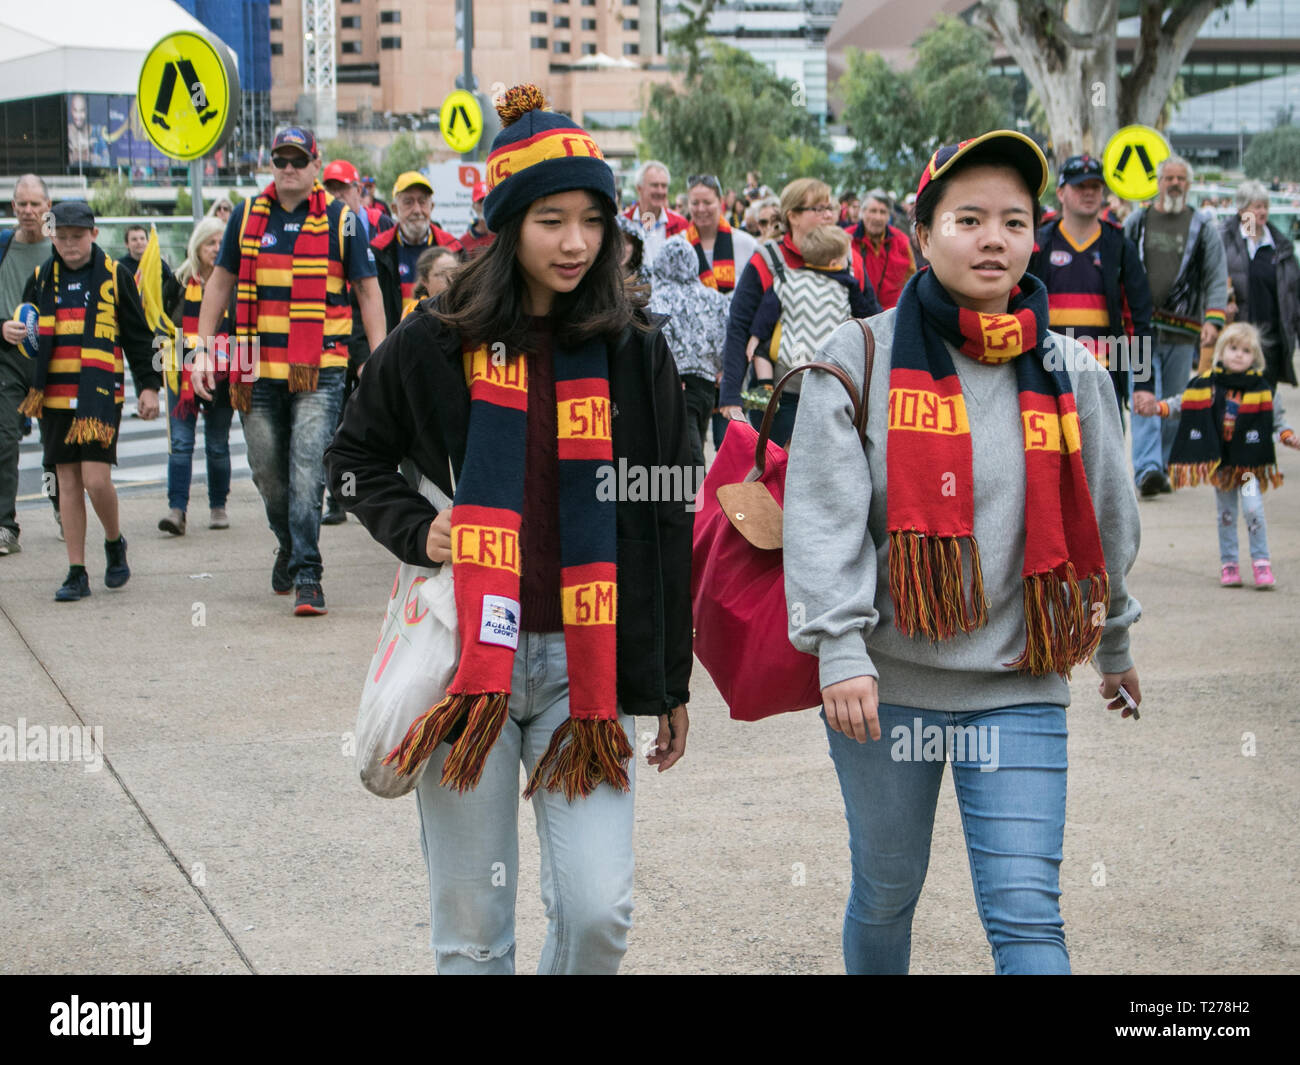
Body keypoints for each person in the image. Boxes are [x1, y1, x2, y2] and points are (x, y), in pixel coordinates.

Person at [325, 84, 693, 974]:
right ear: (506, 222)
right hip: (468, 669)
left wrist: (669, 672)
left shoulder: (632, 346)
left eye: (592, 220)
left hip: (585, 669)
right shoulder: (436, 340)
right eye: (551, 219)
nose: (575, 243)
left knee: (600, 910)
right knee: (473, 934)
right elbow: (352, 458)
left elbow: (665, 508)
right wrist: (421, 530)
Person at [783, 131, 1143, 976]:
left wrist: (1116, 642)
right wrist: (837, 649)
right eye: (969, 218)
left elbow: (1110, 520)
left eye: (1014, 222)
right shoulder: (857, 356)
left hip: (1019, 682)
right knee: (885, 889)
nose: (993, 239)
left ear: (1033, 237)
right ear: (925, 231)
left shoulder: (1071, 372)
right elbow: (823, 517)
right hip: (882, 690)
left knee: (1027, 918)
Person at [191, 126, 387, 616]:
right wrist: (199, 348)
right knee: (266, 471)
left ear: (315, 166)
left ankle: (307, 572)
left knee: (305, 469)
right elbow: (218, 285)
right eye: (280, 159)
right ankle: (288, 542)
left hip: (318, 369)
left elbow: (367, 291)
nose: (289, 167)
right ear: (271, 166)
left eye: (298, 159)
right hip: (252, 366)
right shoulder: (245, 216)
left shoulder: (343, 220)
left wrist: (380, 361)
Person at [15, 201, 163, 601]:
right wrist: (11, 332)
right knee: (67, 481)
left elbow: (139, 337)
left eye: (77, 237)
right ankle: (76, 570)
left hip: (99, 397)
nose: (69, 245)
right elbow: (29, 336)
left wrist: (150, 387)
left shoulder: (117, 277)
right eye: (61, 238)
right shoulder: (40, 279)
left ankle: (114, 542)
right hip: (55, 398)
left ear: (93, 234)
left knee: (96, 481)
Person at [718, 177, 881, 446]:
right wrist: (730, 394)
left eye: (831, 208)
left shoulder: (850, 259)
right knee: (772, 477)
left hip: (837, 393)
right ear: (792, 216)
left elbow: (872, 320)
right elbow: (739, 325)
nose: (829, 215)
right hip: (779, 396)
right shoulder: (769, 258)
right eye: (819, 209)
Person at [1135, 321, 1299, 588]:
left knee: (1253, 510)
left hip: (1248, 465)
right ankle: (1229, 565)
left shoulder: (1262, 389)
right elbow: (1182, 404)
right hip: (1221, 463)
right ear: (1221, 351)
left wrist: (1288, 436)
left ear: (1254, 358)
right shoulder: (1206, 385)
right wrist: (1157, 408)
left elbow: (1277, 421)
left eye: (1245, 351)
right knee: (1226, 515)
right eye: (1233, 348)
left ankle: (1261, 563)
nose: (1238, 354)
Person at [1124, 155, 1228, 496]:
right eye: (1169, 177)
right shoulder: (1137, 222)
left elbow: (1216, 275)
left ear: (1189, 184)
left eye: (1181, 179)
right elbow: (1119, 268)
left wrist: (1214, 318)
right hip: (1138, 330)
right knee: (1143, 397)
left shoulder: (1203, 228)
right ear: (1158, 181)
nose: (1175, 184)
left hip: (1183, 333)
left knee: (1170, 401)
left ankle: (1164, 466)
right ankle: (1147, 469)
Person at [1026, 153, 1154, 412]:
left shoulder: (1119, 246)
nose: (1089, 193)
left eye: (1095, 186)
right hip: (1048, 371)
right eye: (1080, 186)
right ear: (1061, 193)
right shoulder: (1037, 244)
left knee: (1105, 453)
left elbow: (1139, 319)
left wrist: (1143, 383)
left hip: (1104, 375)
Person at [156, 216, 235, 536]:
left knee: (217, 445)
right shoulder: (177, 282)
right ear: (197, 247)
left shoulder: (236, 281)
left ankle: (218, 507)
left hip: (225, 372)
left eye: (221, 243)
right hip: (181, 372)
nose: (216, 249)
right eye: (210, 243)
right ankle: (177, 510)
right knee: (181, 442)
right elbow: (160, 325)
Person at [0, 175, 54, 555]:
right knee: (4, 440)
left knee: (56, 446)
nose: (28, 211)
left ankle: (61, 505)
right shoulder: (2, 247)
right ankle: (5, 525)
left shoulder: (60, 250)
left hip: (54, 360)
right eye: (22, 204)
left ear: (47, 207)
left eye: (35, 204)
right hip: (8, 361)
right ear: (13, 207)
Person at [746, 224, 858, 395]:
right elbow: (867, 311)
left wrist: (755, 336)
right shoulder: (847, 284)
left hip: (792, 362)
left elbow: (768, 311)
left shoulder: (788, 279)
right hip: (831, 364)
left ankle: (765, 386)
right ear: (834, 262)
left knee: (762, 351)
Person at [648, 237, 730, 471]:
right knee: (695, 444)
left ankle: (692, 504)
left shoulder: (657, 300)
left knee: (686, 453)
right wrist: (719, 368)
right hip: (706, 384)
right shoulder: (715, 299)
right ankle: (694, 502)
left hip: (674, 383)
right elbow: (726, 336)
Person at [1220, 180, 1299, 391]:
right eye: (1257, 206)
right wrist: (1224, 300)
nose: (1263, 211)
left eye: (1265, 206)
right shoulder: (1223, 239)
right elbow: (1210, 279)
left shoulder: (1281, 247)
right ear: (1242, 209)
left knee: (1264, 400)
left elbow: (1293, 294)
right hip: (1235, 338)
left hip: (1269, 340)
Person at [367, 172, 464, 333]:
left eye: (422, 202)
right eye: (408, 202)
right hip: (392, 350)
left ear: (431, 207)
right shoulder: (377, 251)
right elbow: (362, 306)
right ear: (394, 209)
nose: (417, 210)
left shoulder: (455, 250)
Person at [681, 174, 757, 295]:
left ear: (720, 201)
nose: (701, 209)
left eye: (707, 202)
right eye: (695, 203)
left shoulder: (747, 244)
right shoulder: (679, 244)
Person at [846, 188, 916, 310]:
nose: (878, 217)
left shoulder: (901, 241)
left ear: (889, 216)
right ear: (862, 213)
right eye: (873, 211)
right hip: (857, 318)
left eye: (883, 212)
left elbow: (911, 281)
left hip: (892, 316)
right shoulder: (846, 239)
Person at [621, 160, 687, 268]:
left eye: (664, 186)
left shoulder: (680, 225)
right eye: (655, 185)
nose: (660, 191)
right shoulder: (622, 223)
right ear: (639, 188)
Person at [323, 159, 393, 242]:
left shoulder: (380, 222)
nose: (336, 194)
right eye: (330, 189)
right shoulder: (318, 225)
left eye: (342, 187)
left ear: (359, 190)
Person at [459, 182, 496, 259]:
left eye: (488, 200)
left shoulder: (504, 233)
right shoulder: (463, 241)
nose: (485, 205)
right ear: (473, 206)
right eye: (481, 201)